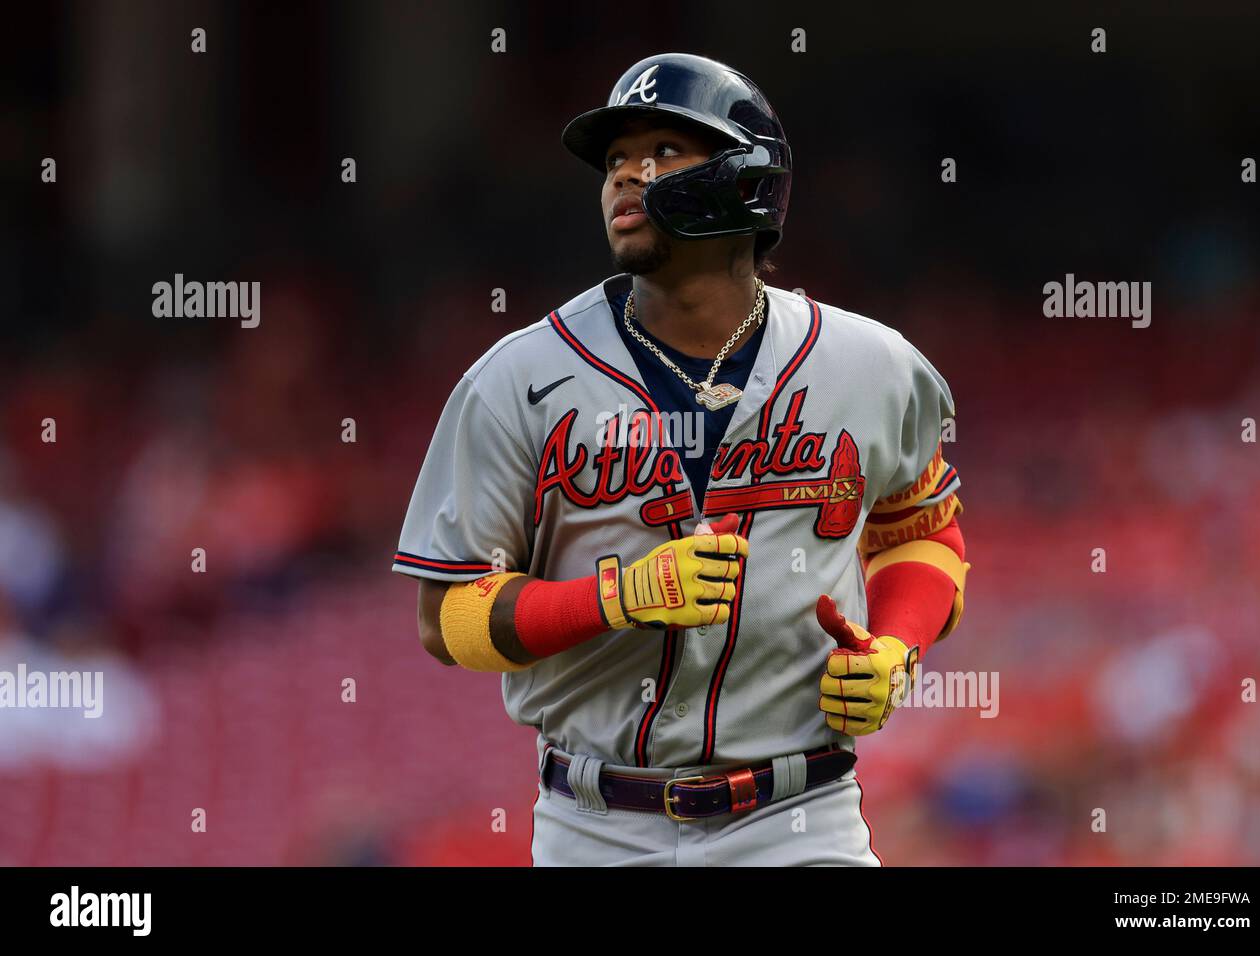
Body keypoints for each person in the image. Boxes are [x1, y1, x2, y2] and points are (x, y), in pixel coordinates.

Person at [393, 53, 970, 866]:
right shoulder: (517, 381)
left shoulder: (871, 367)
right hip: (596, 823)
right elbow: (445, 618)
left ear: (746, 180)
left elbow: (921, 533)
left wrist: (895, 648)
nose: (629, 173)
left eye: (664, 150)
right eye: (617, 159)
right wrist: (620, 597)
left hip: (799, 819)